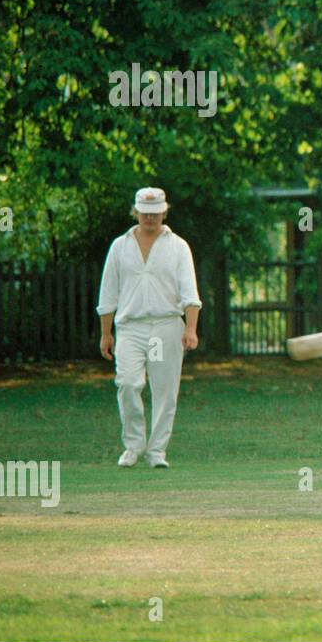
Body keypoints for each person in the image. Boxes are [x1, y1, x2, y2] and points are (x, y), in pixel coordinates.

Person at [97, 187, 201, 468]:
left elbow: (190, 293)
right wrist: (106, 333)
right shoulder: (120, 246)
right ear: (136, 212)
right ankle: (133, 446)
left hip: (165, 326)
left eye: (155, 213)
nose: (150, 218)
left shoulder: (178, 246)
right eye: (145, 213)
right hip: (130, 328)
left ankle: (156, 452)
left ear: (164, 212)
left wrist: (190, 329)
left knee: (164, 390)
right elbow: (108, 294)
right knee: (128, 383)